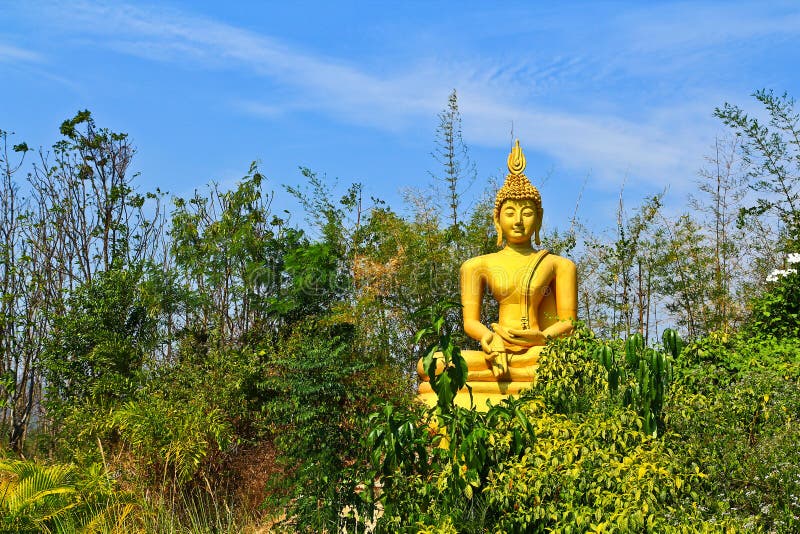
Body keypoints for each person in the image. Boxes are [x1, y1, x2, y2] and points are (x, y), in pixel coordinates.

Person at [418, 140, 578, 408]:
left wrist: (540, 338)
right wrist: (489, 340)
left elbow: (569, 324)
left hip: (538, 352)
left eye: (527, 213)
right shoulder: (477, 265)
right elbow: (471, 322)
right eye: (510, 212)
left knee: (559, 366)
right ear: (497, 220)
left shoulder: (559, 265)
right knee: (433, 364)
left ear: (538, 219)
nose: (518, 221)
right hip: (494, 352)